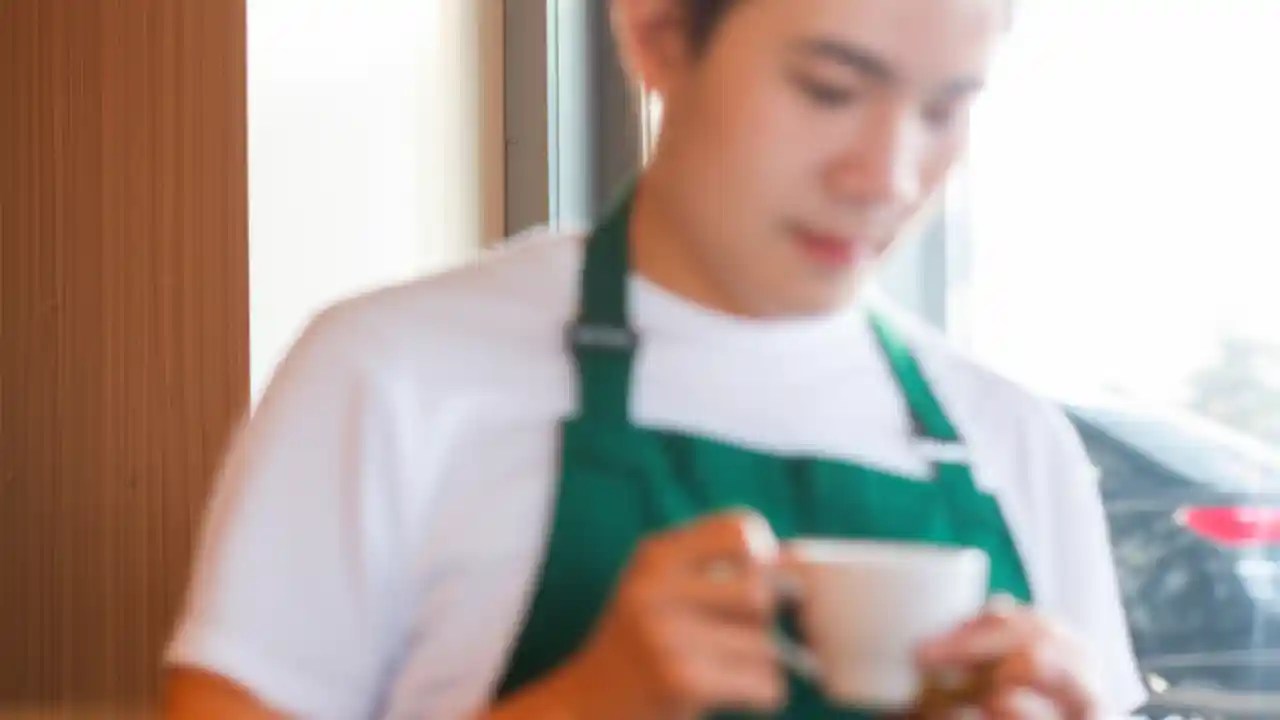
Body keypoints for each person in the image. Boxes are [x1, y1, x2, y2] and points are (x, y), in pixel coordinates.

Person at [163, 0, 1147, 718]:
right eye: (828, 89)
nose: (883, 177)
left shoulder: (1013, 444)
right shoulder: (391, 373)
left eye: (943, 109)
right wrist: (584, 706)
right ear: (655, 33)